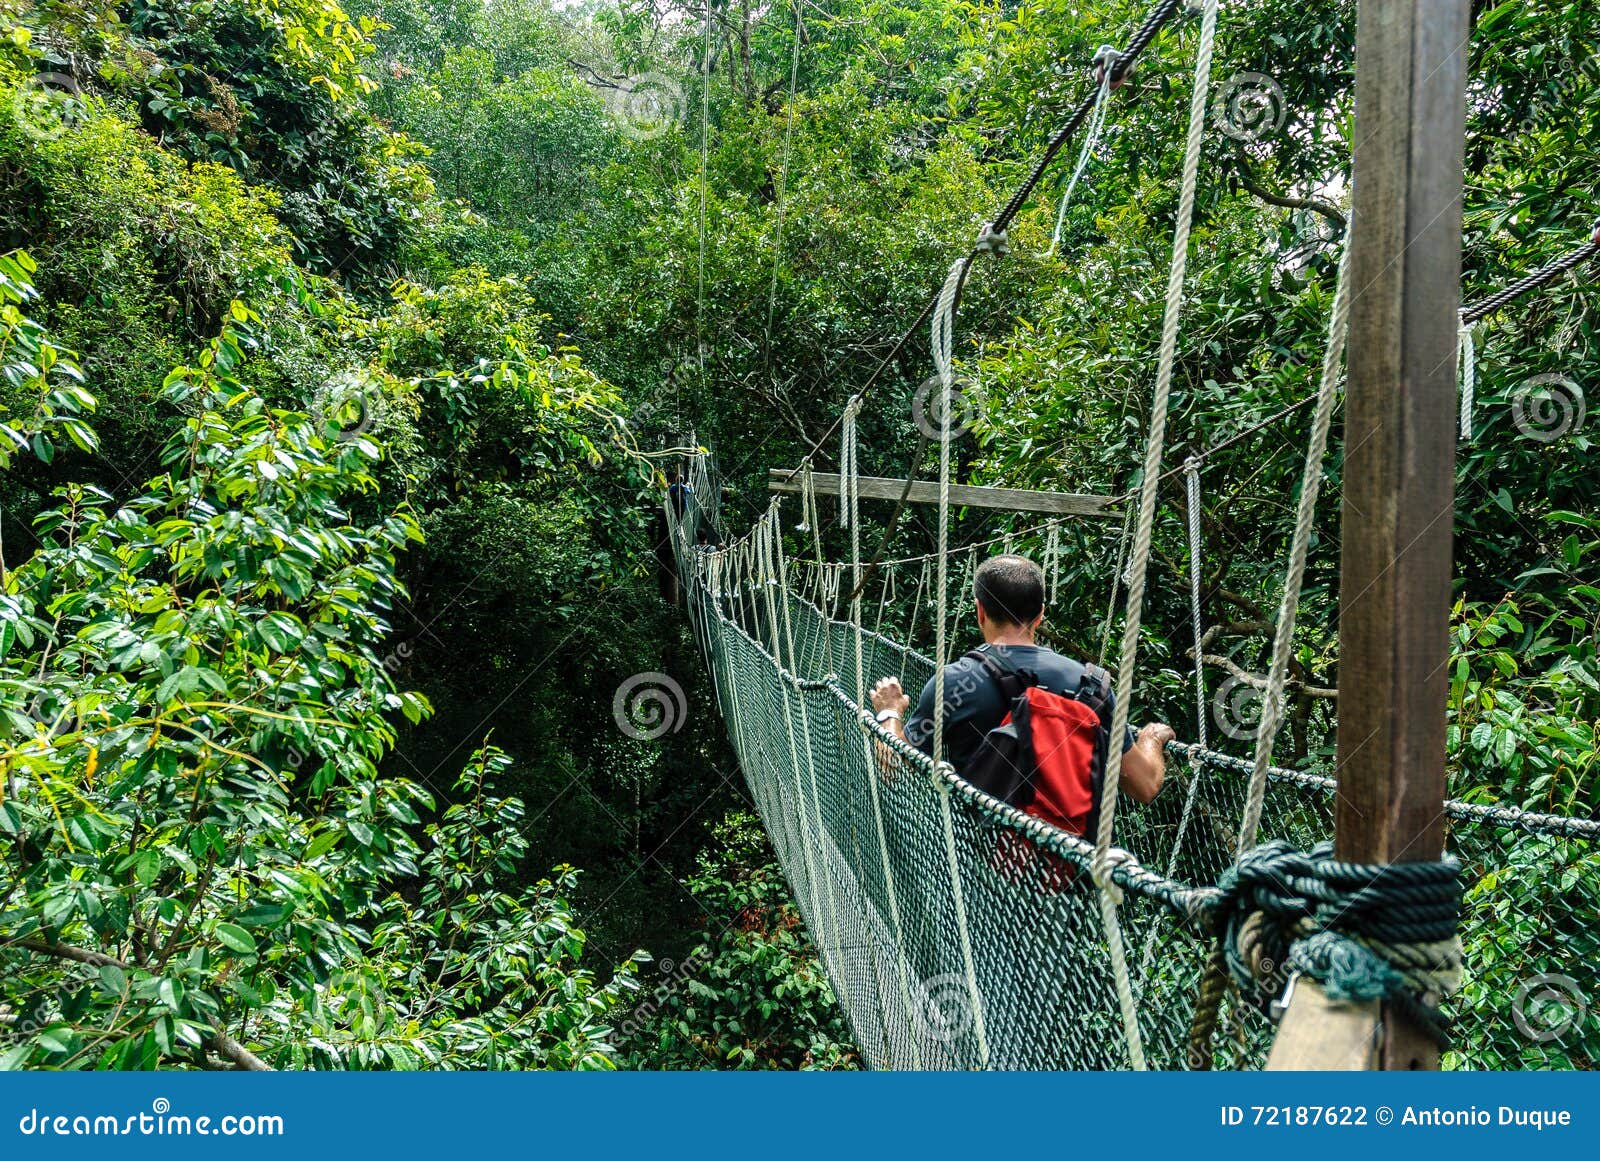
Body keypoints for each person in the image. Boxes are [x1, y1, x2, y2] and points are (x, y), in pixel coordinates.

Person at [869, 554, 1173, 808]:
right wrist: (1151, 739)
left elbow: (893, 764)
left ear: (980, 611)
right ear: (1040, 615)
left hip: (982, 863)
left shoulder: (953, 683)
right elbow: (1144, 785)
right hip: (1069, 868)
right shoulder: (1090, 685)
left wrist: (890, 711)